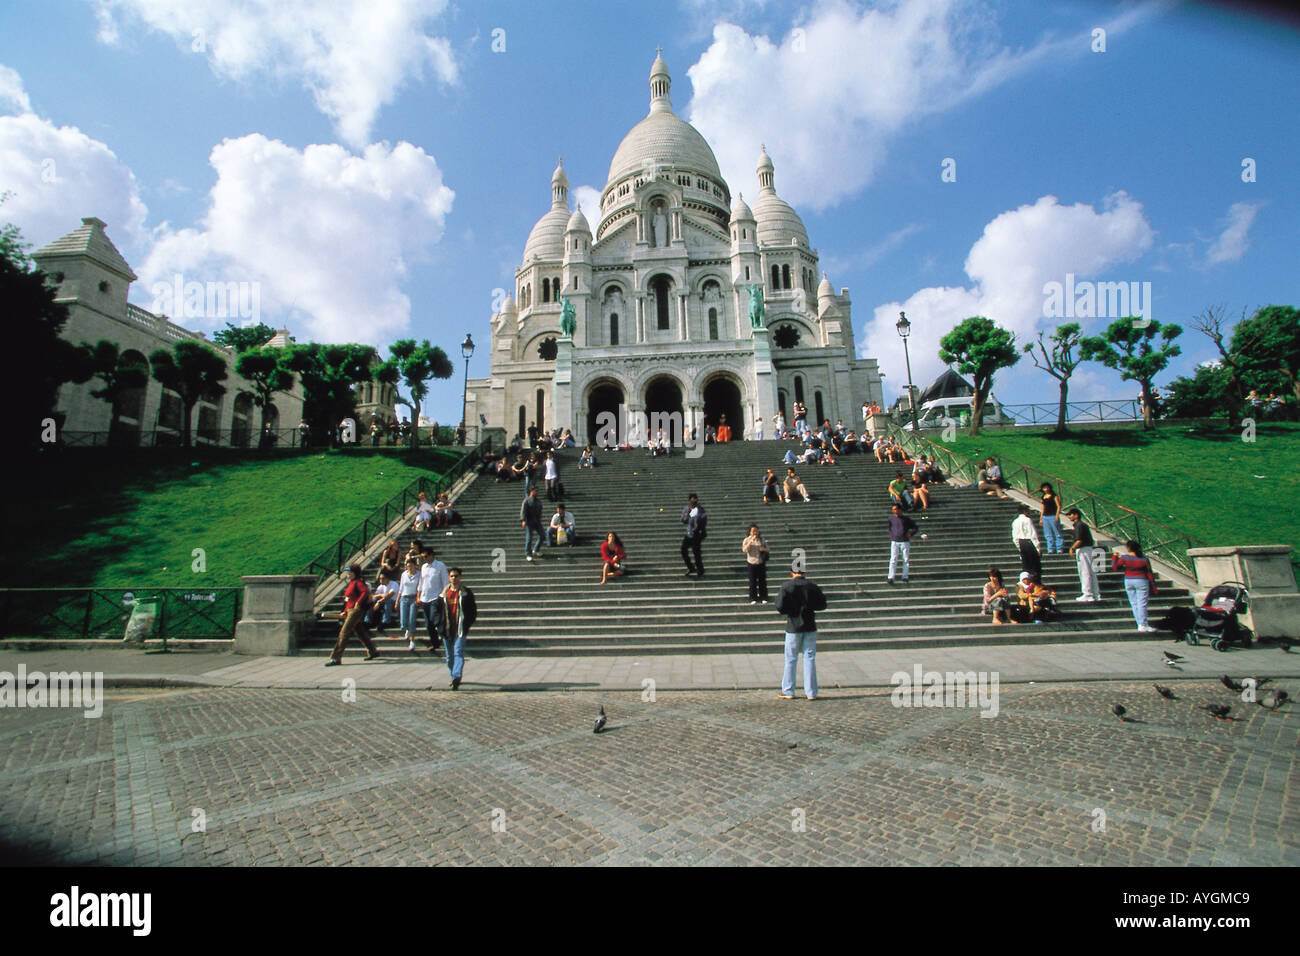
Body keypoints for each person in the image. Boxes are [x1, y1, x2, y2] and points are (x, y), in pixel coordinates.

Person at [776, 564, 827, 700]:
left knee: (791, 658)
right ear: (804, 573)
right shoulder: (812, 586)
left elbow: (780, 607)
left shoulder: (786, 586)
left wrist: (791, 610)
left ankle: (788, 690)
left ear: (792, 573)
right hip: (809, 624)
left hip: (793, 625)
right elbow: (822, 604)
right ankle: (811, 692)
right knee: (809, 658)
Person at [432, 568, 476, 690]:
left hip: (460, 629)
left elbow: (473, 610)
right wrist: (437, 623)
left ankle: (457, 676)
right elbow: (435, 610)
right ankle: (453, 676)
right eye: (452, 576)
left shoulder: (466, 593)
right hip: (446, 629)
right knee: (449, 657)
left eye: (456, 576)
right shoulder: (443, 594)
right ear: (448, 578)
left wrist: (467, 623)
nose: (454, 578)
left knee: (458, 652)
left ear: (460, 577)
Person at [325, 565, 379, 666]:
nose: (347, 574)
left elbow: (365, 592)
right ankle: (373, 651)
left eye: (349, 572)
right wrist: (345, 611)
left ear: (355, 573)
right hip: (350, 610)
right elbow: (349, 600)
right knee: (359, 632)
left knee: (344, 633)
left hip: (355, 611)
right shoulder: (352, 583)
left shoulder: (358, 582)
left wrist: (358, 602)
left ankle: (336, 657)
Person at [1112, 540, 1158, 632]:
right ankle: (1143, 624)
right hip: (1141, 581)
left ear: (1129, 548)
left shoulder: (1125, 558)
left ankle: (1140, 624)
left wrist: (1114, 557)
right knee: (1142, 603)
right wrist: (1153, 585)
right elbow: (1149, 573)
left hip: (1128, 580)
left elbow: (1115, 567)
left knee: (1134, 603)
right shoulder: (1144, 559)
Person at [417, 547, 448, 652]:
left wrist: (443, 595)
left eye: (426, 556)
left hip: (436, 597)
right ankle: (434, 642)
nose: (424, 559)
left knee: (434, 619)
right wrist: (418, 596)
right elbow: (421, 583)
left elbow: (445, 582)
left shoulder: (440, 566)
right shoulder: (423, 567)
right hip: (425, 597)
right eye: (423, 557)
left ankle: (445, 636)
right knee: (428, 623)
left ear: (431, 555)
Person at [1066, 508, 1100, 602]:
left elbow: (1079, 540)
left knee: (1084, 572)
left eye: (1071, 514)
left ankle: (1087, 593)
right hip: (1088, 549)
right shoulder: (1082, 525)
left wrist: (1072, 548)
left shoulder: (1079, 525)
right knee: (1090, 572)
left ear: (1076, 515)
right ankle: (1095, 593)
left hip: (1083, 549)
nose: (1069, 516)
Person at [887, 503, 918, 584]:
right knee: (893, 559)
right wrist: (892, 535)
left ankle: (905, 576)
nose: (894, 511)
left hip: (904, 541)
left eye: (896, 509)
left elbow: (915, 527)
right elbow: (889, 528)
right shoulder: (891, 519)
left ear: (900, 509)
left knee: (905, 559)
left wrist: (910, 534)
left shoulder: (906, 519)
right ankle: (891, 577)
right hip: (895, 541)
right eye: (893, 509)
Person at [1012, 505, 1042, 580]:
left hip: (1021, 543)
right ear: (1025, 511)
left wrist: (1019, 547)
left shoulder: (1015, 522)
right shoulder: (1027, 520)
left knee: (1026, 566)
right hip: (1029, 543)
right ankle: (1036, 582)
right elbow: (1032, 534)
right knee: (1035, 566)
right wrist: (1038, 547)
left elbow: (1015, 537)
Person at [742, 525, 770, 604]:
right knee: (752, 581)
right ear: (750, 532)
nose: (755, 532)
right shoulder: (746, 540)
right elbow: (744, 550)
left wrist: (763, 549)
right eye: (753, 531)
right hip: (751, 562)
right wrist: (750, 542)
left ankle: (763, 597)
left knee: (762, 581)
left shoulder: (761, 540)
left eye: (756, 531)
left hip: (761, 562)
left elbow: (768, 549)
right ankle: (752, 598)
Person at [680, 493, 707, 577]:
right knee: (683, 550)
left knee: (696, 552)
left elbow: (704, 519)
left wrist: (701, 529)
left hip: (697, 533)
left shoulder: (700, 509)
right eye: (692, 499)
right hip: (689, 533)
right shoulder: (686, 509)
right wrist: (687, 513)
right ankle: (691, 567)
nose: (694, 501)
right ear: (689, 500)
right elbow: (683, 520)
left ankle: (700, 570)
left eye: (695, 499)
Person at [398, 557, 421, 650]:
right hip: (404, 598)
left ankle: (412, 641)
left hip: (413, 598)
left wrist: (418, 598)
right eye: (408, 566)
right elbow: (401, 588)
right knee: (403, 621)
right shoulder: (403, 574)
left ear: (415, 566)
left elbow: (420, 587)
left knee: (412, 620)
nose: (410, 568)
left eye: (411, 566)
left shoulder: (419, 574)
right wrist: (397, 600)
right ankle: (406, 629)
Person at [521, 486, 544, 561]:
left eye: (537, 491)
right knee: (529, 538)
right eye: (535, 491)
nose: (537, 492)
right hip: (529, 521)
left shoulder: (538, 501)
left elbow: (540, 509)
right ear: (531, 491)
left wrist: (540, 516)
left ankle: (536, 549)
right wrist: (523, 520)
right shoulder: (526, 500)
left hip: (537, 521)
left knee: (542, 535)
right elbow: (523, 511)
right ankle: (528, 554)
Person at [1039, 482, 1064, 553]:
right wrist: (1041, 518)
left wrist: (1057, 516)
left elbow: (1059, 506)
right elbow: (1043, 508)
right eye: (1044, 488)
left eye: (1047, 487)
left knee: (1057, 532)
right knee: (1048, 534)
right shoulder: (1043, 497)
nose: (1046, 489)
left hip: (1053, 515)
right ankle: (1050, 548)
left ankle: (1059, 548)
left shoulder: (1054, 496)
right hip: (1045, 516)